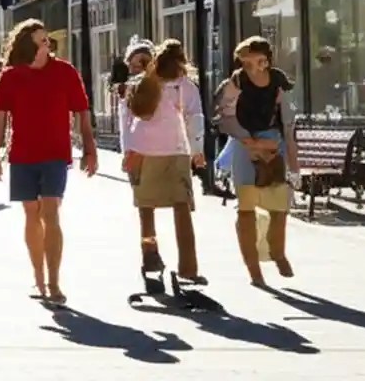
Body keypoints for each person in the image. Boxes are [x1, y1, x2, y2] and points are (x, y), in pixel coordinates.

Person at [0, 19, 97, 306]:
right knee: (31, 213)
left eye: (48, 40)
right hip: (22, 154)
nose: (48, 45)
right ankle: (38, 275)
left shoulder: (65, 72)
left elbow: (82, 112)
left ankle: (54, 281)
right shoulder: (11, 76)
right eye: (42, 41)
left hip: (55, 154)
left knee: (51, 212)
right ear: (29, 46)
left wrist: (90, 148)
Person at [120, 39, 206, 285]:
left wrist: (128, 151)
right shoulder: (186, 87)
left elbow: (125, 120)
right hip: (176, 152)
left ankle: (149, 255)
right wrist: (197, 151)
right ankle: (188, 268)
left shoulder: (139, 84)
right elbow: (195, 120)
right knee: (182, 209)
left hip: (142, 153)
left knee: (146, 211)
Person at [214, 36, 299, 287]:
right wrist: (248, 141)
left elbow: (288, 123)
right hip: (243, 142)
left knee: (278, 205)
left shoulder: (279, 82)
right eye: (246, 63)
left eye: (258, 62)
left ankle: (278, 251)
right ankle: (253, 269)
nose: (253, 68)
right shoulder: (236, 81)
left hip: (273, 142)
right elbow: (223, 115)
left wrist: (293, 164)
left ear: (267, 60)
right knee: (247, 205)